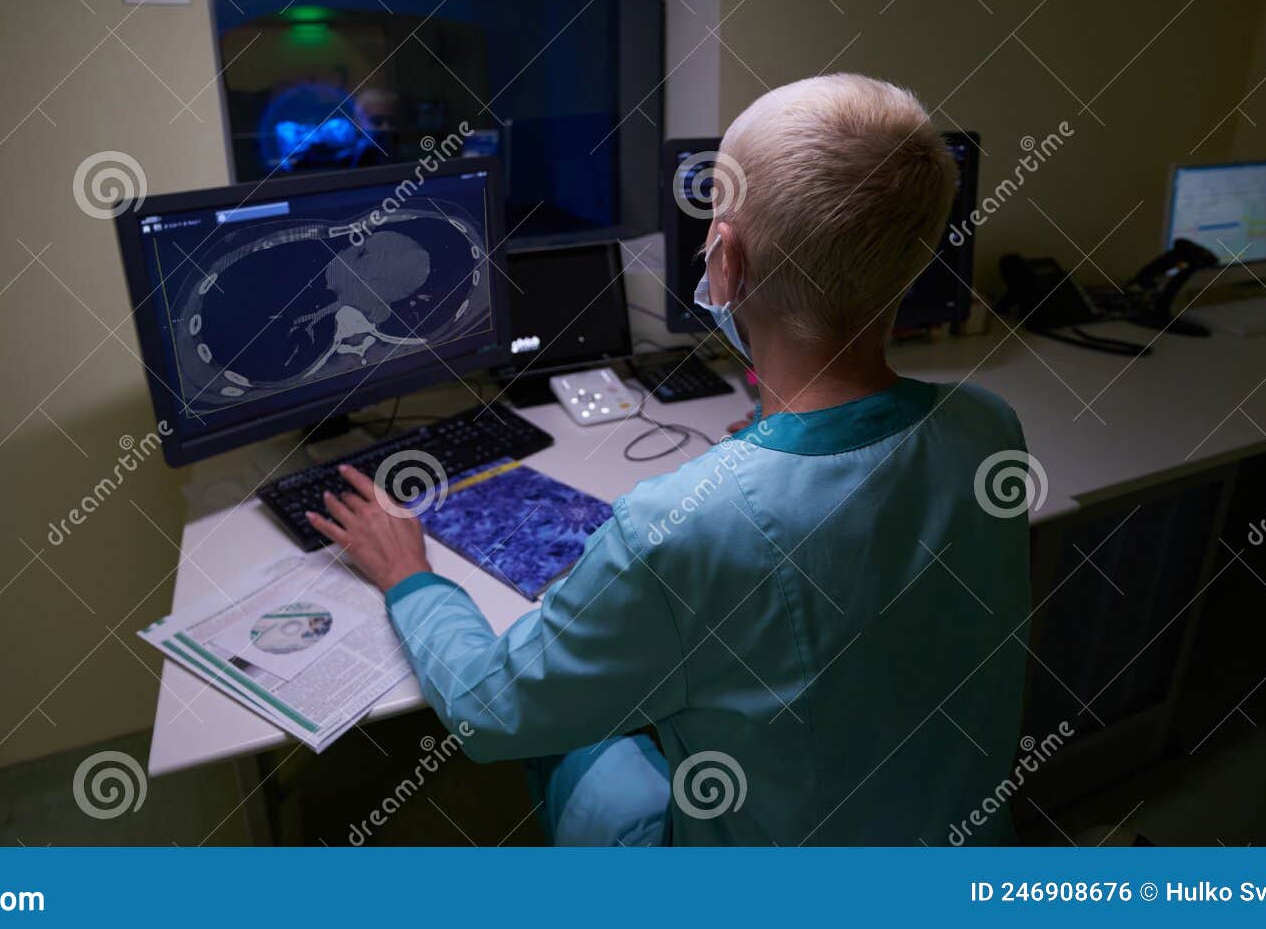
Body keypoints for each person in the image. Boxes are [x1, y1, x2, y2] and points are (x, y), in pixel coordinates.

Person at [308, 74, 1031, 845]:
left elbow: (489, 712)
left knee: (576, 738)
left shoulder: (682, 528)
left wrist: (410, 576)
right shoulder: (988, 428)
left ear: (725, 262)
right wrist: (773, 453)